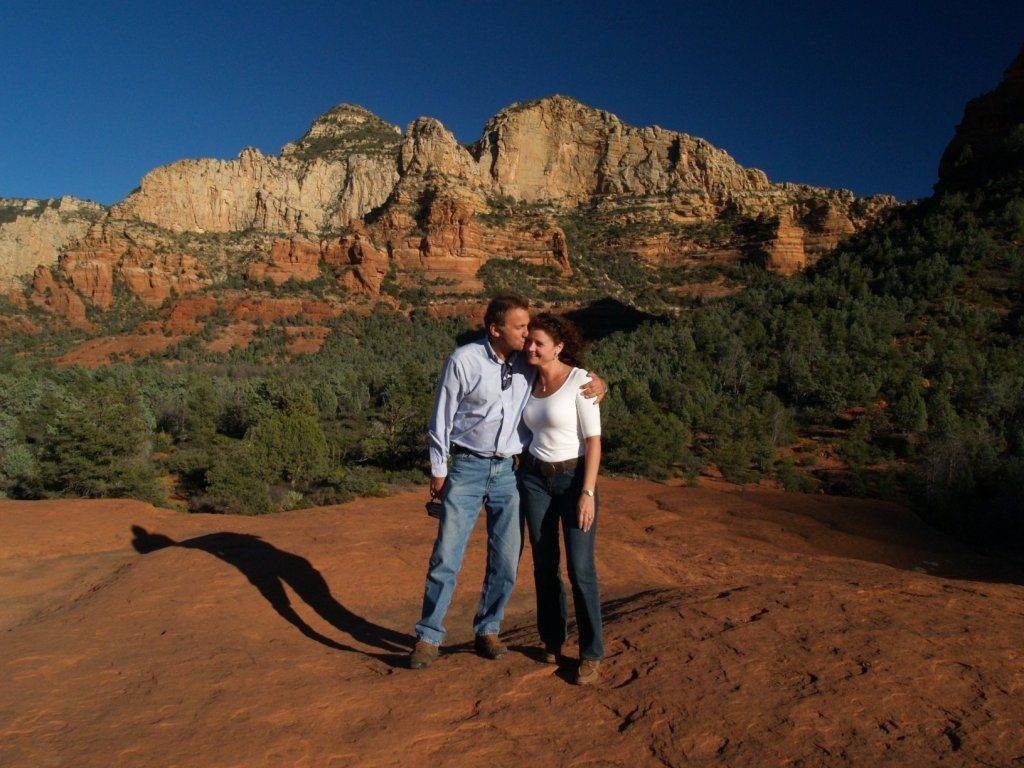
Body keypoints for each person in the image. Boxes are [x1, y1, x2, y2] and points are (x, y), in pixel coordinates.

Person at [409, 295, 606, 669]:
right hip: (469, 467)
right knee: (447, 555)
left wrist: (601, 383)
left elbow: (569, 375)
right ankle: (428, 635)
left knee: (506, 559)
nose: (527, 334)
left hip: (511, 473)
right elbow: (441, 416)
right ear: (495, 329)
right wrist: (439, 469)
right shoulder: (464, 360)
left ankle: (489, 628)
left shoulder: (526, 362)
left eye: (530, 330)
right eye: (520, 328)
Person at [518, 312, 604, 685]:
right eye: (529, 341)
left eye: (539, 343)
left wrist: (587, 493)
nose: (531, 348)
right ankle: (553, 639)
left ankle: (591, 653)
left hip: (573, 480)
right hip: (535, 479)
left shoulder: (581, 382)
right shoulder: (525, 379)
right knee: (544, 564)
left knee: (580, 568)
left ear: (559, 347)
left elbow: (594, 442)